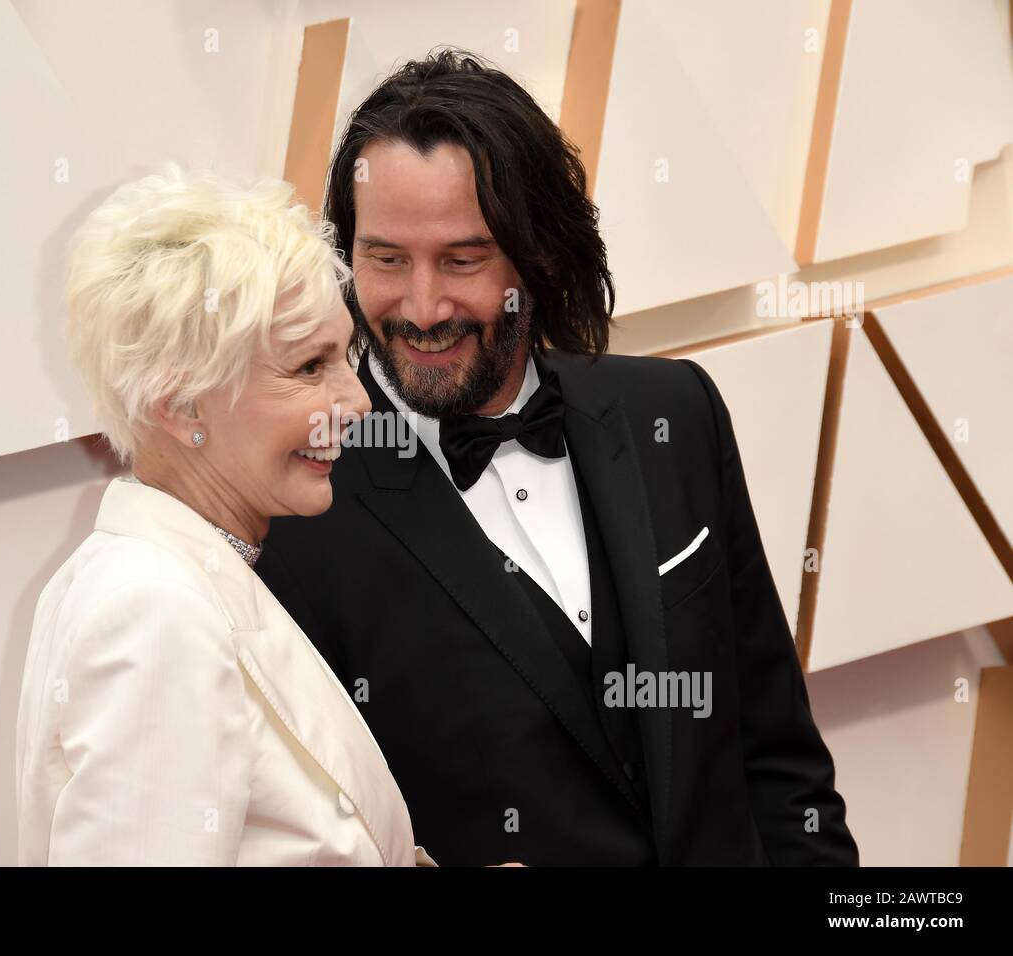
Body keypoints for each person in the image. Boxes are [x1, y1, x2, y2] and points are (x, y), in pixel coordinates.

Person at [256, 50, 859, 866]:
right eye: (386, 259)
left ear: (537, 256)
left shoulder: (675, 413)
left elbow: (777, 755)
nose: (422, 306)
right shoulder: (296, 512)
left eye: (463, 260)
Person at [15, 167, 434, 866]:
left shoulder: (195, 573)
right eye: (309, 367)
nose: (357, 402)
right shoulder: (151, 610)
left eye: (346, 356)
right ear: (180, 408)